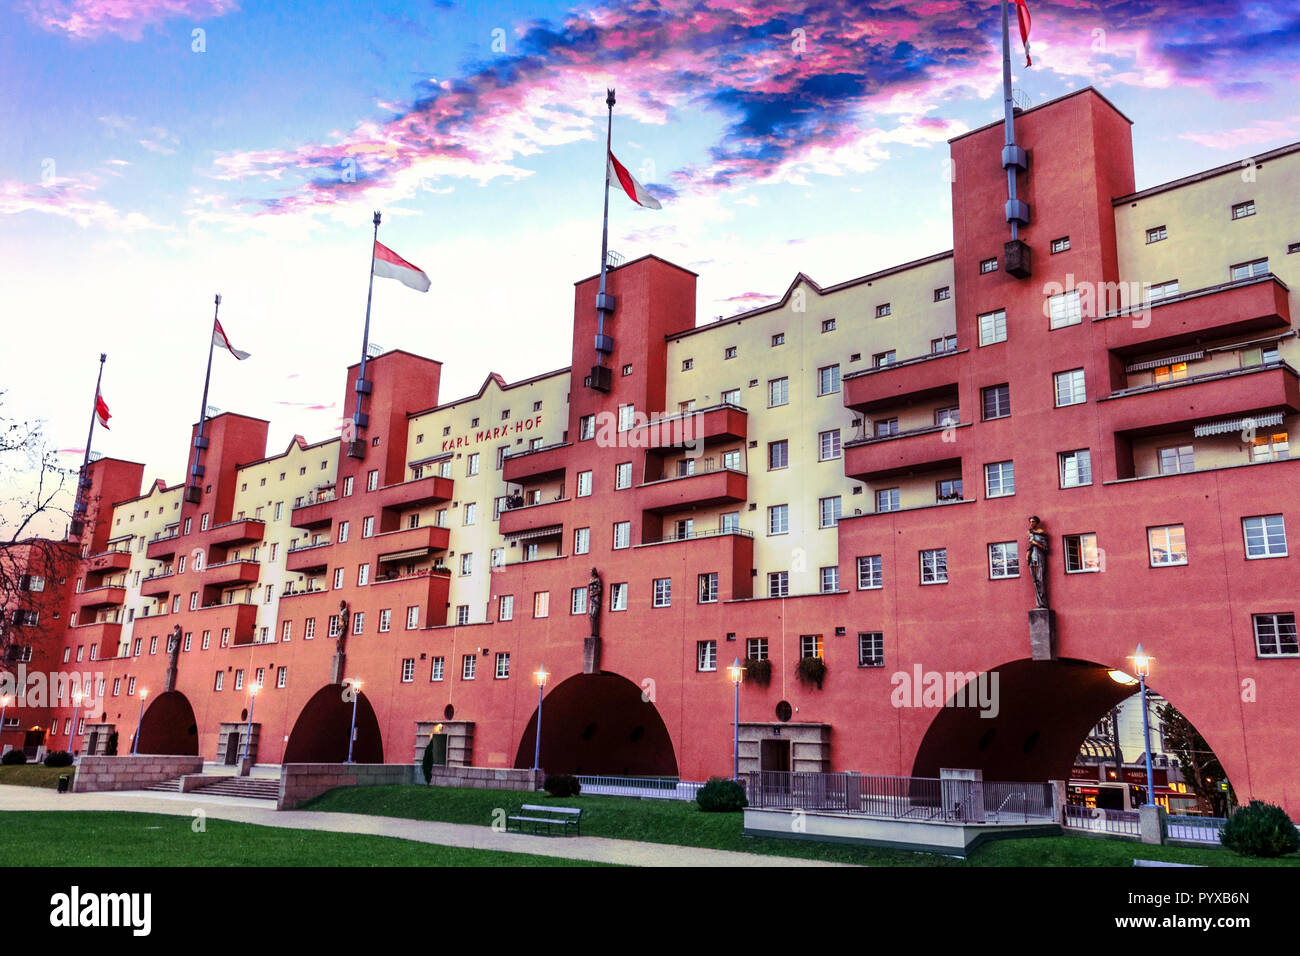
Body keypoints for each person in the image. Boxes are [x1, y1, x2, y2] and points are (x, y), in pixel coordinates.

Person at [1027, 515, 1049, 609]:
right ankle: (1038, 603)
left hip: (1040, 556)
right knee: (1035, 580)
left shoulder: (1042, 534)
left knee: (1040, 579)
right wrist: (1028, 554)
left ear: (1037, 522)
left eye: (1033, 522)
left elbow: (1046, 548)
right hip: (1032, 557)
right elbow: (1030, 546)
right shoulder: (1030, 534)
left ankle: (1043, 603)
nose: (1031, 524)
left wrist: (1037, 544)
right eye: (1030, 522)